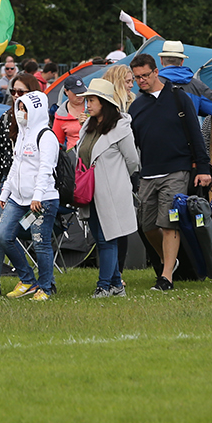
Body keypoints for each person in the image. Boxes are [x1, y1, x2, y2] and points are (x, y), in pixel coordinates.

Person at [128, 53, 210, 292]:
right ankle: (169, 262)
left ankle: (166, 278)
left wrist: (203, 168)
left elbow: (195, 134)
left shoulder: (178, 97)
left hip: (177, 170)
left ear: (156, 72)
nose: (141, 80)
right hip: (148, 173)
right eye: (137, 77)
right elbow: (132, 144)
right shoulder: (136, 106)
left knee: (169, 223)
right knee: (147, 226)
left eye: (145, 75)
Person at [0, 89, 59, 301]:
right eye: (19, 108)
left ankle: (45, 288)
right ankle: (28, 279)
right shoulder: (22, 133)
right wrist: (6, 192)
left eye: (25, 109)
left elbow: (46, 169)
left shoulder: (46, 136)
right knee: (2, 236)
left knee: (40, 242)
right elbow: (15, 165)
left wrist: (37, 196)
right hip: (17, 198)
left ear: (36, 111)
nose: (20, 113)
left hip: (42, 199)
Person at [80, 77, 139, 297]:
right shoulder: (88, 125)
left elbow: (133, 160)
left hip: (112, 192)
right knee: (101, 238)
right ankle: (116, 285)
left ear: (104, 102)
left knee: (107, 239)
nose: (87, 104)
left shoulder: (121, 126)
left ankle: (104, 286)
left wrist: (117, 179)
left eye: (91, 100)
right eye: (87, 100)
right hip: (89, 192)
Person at [0, 71, 41, 297]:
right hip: (11, 182)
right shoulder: (6, 118)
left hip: (36, 185)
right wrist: (0, 181)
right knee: (0, 233)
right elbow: (4, 154)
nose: (16, 96)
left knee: (39, 235)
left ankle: (45, 282)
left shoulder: (40, 121)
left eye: (21, 92)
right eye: (13, 91)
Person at [158, 40, 212, 118]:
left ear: (161, 60)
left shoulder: (153, 84)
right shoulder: (196, 86)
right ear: (182, 62)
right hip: (188, 126)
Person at [52, 76, 88, 148]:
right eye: (76, 92)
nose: (80, 95)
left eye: (82, 91)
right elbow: (57, 143)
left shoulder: (93, 106)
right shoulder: (61, 115)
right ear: (66, 91)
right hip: (73, 153)